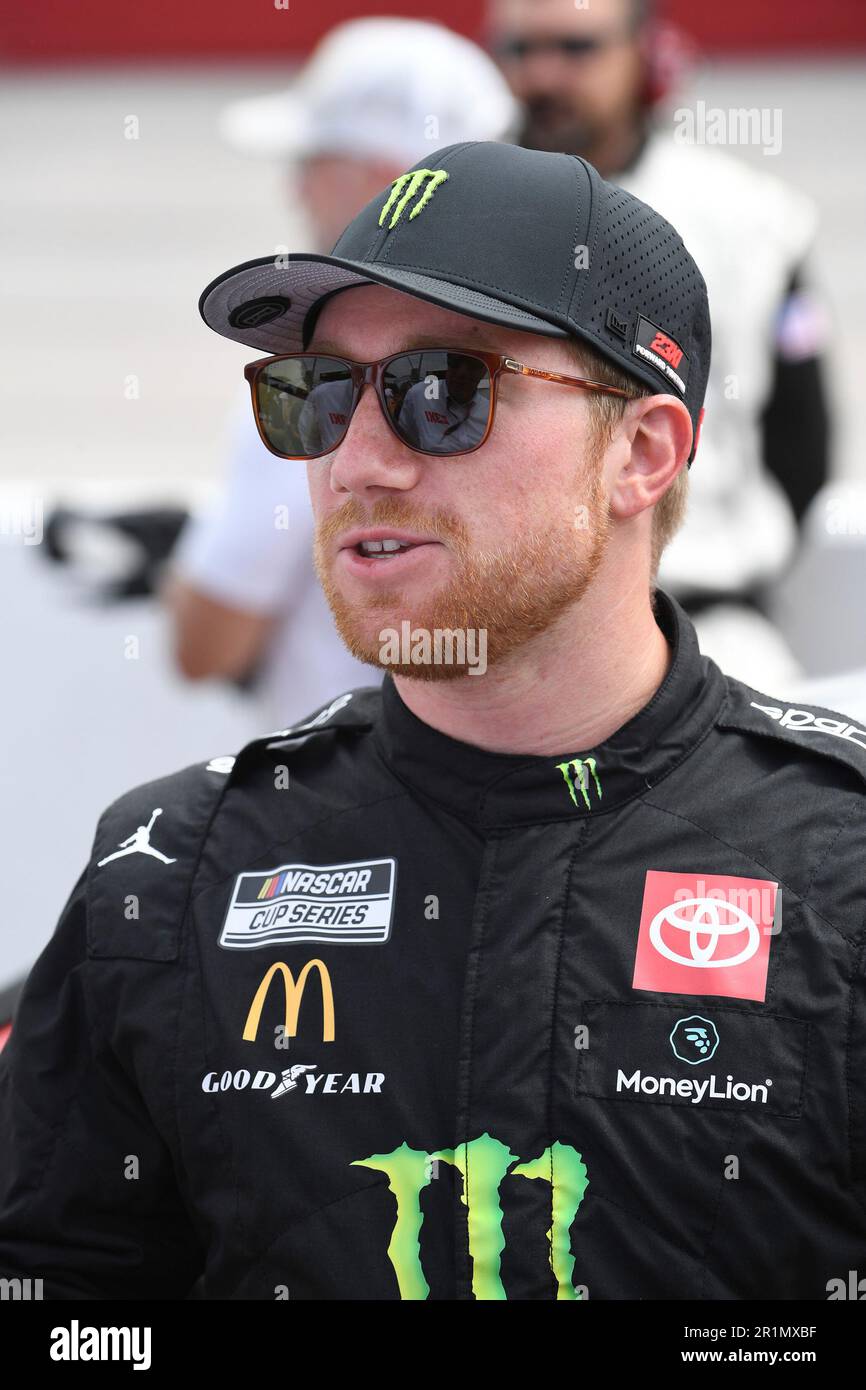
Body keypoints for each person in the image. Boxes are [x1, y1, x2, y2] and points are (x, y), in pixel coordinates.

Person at [2, 142, 865, 1301]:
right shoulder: (170, 874)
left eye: (442, 391)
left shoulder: (838, 865)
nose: (357, 460)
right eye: (313, 393)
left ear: (642, 453)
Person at [165, 17, 520, 728]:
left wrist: (171, 574)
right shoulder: (541, 355)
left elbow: (205, 645)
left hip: (349, 805)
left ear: (384, 175)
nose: (295, 189)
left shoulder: (324, 382)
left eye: (312, 161)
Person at [487, 0, 832, 687]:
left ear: (647, 51)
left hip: (713, 628)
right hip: (502, 633)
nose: (544, 75)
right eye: (520, 51)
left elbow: (802, 441)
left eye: (576, 48)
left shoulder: (751, 216)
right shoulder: (460, 211)